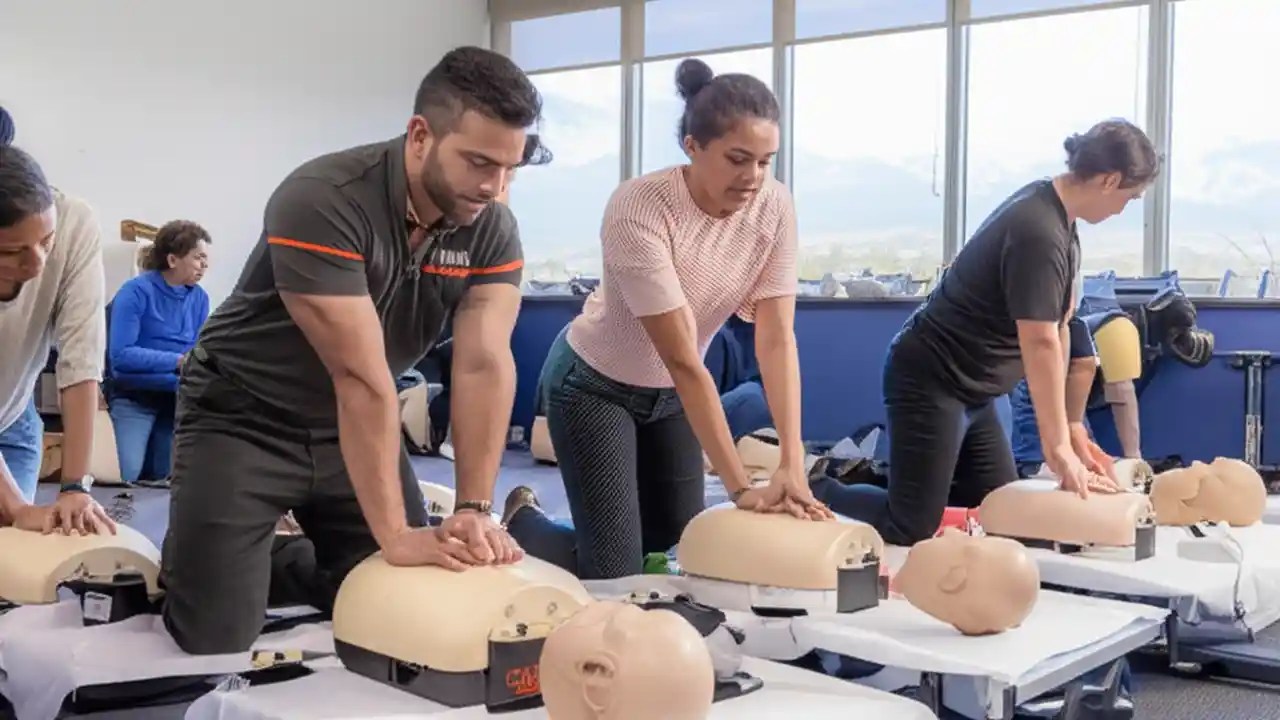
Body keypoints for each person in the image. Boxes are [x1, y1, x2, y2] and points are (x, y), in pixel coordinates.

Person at [159, 46, 541, 655]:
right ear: (421, 136)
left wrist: (473, 507)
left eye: (510, 169)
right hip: (244, 417)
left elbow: (483, 363)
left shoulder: (491, 225)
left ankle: (282, 558)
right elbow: (359, 376)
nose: (494, 187)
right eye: (478, 163)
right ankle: (220, 557)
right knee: (215, 634)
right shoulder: (322, 198)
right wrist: (395, 533)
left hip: (353, 431)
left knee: (404, 606)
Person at [503, 59, 831, 582]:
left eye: (765, 161)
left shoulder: (773, 205)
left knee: (675, 552)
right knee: (615, 572)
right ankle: (524, 523)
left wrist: (792, 464)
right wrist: (741, 489)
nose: (753, 177)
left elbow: (776, 339)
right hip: (593, 385)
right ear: (692, 146)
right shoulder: (640, 207)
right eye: (737, 159)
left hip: (672, 396)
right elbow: (681, 358)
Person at [812, 119, 1159, 546]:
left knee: (1001, 510)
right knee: (911, 524)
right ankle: (815, 488)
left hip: (978, 391)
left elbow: (1060, 327)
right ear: (1109, 181)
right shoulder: (1038, 229)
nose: (1125, 209)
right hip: (932, 379)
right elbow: (1039, 341)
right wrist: (1055, 448)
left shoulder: (1063, 223)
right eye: (1130, 197)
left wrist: (1072, 427)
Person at [0, 143, 114, 534]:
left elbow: (81, 358)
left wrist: (75, 487)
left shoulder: (74, 222)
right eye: (12, 251)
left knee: (18, 552)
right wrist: (17, 507)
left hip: (15, 418)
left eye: (46, 242)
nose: (37, 263)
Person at [107, 220, 212, 486]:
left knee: (167, 480)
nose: (204, 265)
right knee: (125, 476)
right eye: (198, 258)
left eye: (205, 259)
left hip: (176, 400)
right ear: (173, 260)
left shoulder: (200, 298)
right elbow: (121, 356)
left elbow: (199, 351)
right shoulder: (135, 292)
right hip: (134, 397)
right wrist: (178, 361)